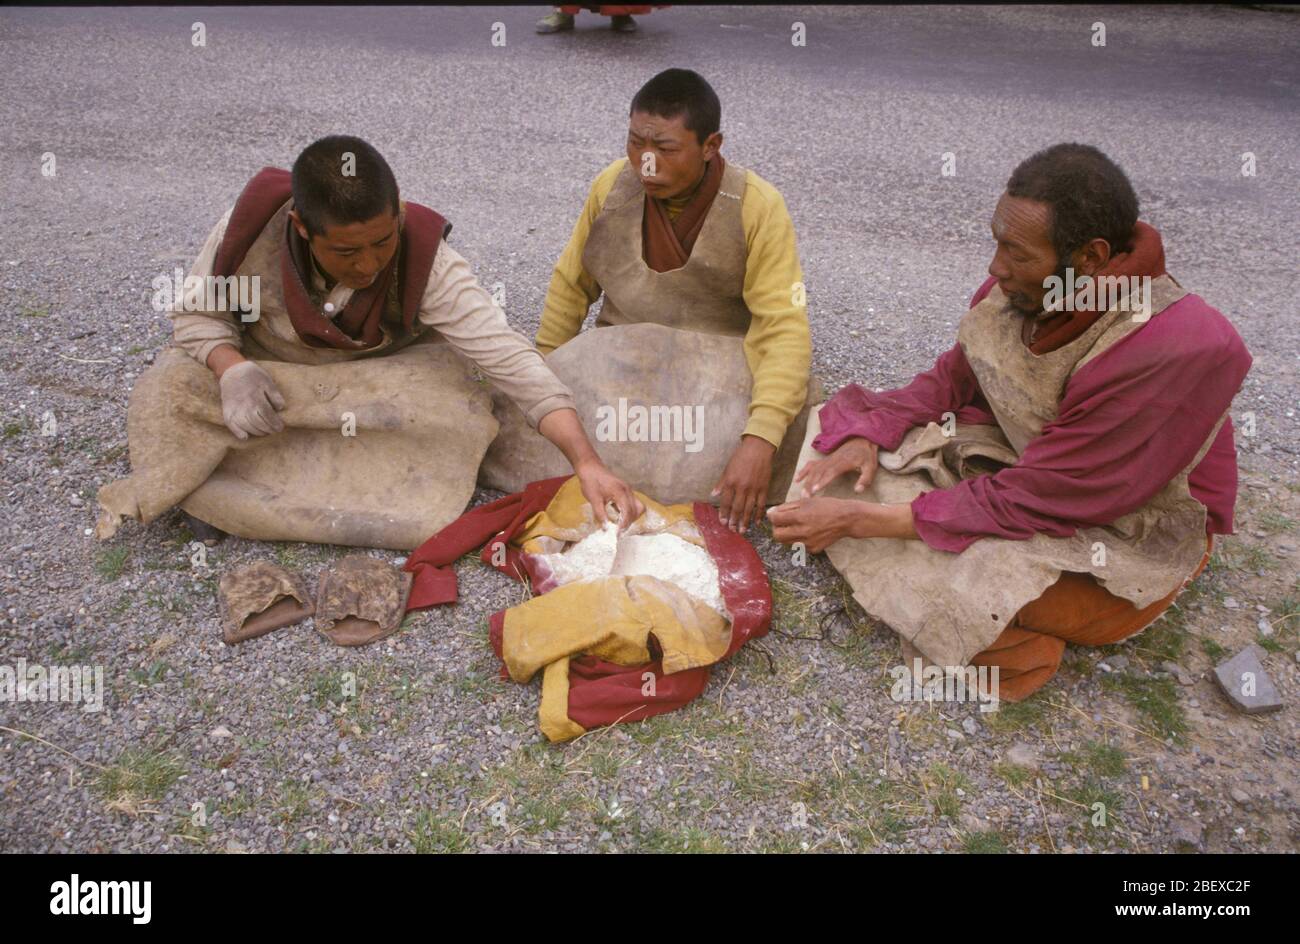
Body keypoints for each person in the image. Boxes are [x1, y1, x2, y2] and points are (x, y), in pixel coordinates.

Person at [769, 143, 1252, 700]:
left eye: (1016, 253)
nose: (995, 268)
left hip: (1125, 528)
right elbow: (952, 381)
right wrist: (865, 436)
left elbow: (1036, 497)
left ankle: (1013, 649)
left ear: (1090, 258)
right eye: (997, 241)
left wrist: (860, 521)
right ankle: (900, 544)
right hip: (1037, 469)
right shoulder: (1023, 289)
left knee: (972, 570)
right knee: (826, 435)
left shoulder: (1170, 346)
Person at [97, 135, 642, 550]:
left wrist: (586, 461)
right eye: (346, 252)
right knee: (167, 390)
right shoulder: (252, 229)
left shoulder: (426, 258)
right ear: (302, 228)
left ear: (399, 212)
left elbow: (504, 354)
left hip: (379, 383)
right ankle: (229, 488)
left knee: (461, 400)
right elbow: (197, 319)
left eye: (382, 243)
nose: (368, 264)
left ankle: (230, 487)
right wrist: (231, 367)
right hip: (274, 380)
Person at [530, 68, 814, 532]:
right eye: (635, 143)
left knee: (784, 442)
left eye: (664, 149)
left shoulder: (757, 206)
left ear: (710, 147)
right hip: (621, 365)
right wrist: (541, 378)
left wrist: (760, 439)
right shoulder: (611, 188)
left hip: (715, 380)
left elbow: (782, 327)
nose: (645, 163)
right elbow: (571, 285)